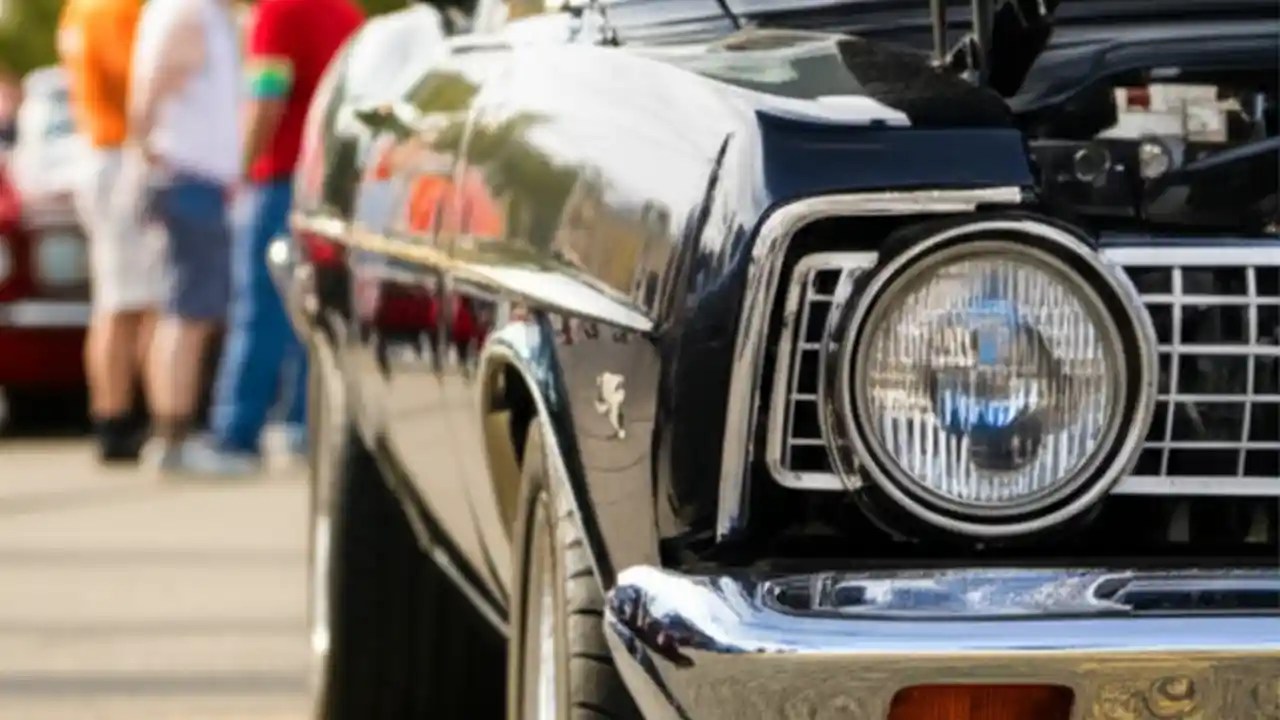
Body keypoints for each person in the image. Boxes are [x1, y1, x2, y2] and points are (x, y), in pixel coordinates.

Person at [176, 0, 364, 475]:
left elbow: (267, 99)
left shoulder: (277, 12)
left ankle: (235, 436)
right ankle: (302, 425)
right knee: (311, 306)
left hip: (279, 180)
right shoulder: (343, 11)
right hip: (326, 184)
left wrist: (241, 168)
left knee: (257, 310)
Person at [125, 0, 240, 471]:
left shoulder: (178, 11)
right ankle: (174, 436)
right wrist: (147, 150)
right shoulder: (190, 14)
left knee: (178, 310)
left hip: (187, 178)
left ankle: (169, 432)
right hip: (190, 178)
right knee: (188, 314)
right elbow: (153, 88)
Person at [57, 0, 163, 462]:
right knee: (129, 303)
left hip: (106, 151)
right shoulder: (117, 9)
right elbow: (139, 82)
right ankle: (121, 417)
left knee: (122, 301)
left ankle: (118, 414)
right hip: (120, 152)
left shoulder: (83, 9)